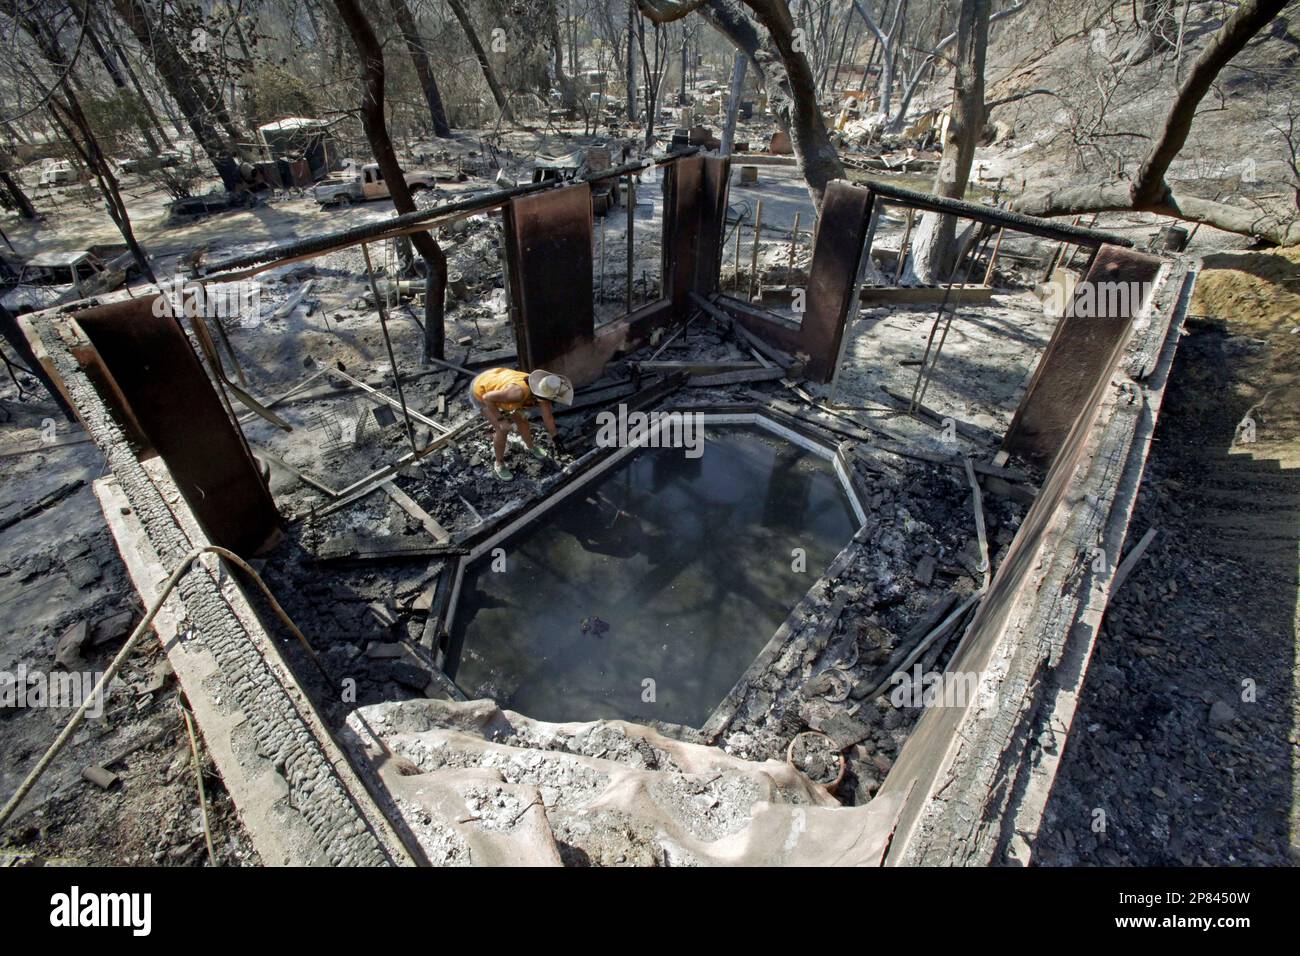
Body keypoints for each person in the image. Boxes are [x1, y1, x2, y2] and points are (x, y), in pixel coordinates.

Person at [470, 367, 574, 480]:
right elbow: (487, 398)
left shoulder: (543, 388)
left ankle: (530, 446)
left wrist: (556, 438)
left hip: (499, 385)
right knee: (502, 430)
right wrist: (501, 420)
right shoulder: (517, 393)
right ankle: (499, 463)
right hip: (481, 391)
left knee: (522, 420)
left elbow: (547, 417)